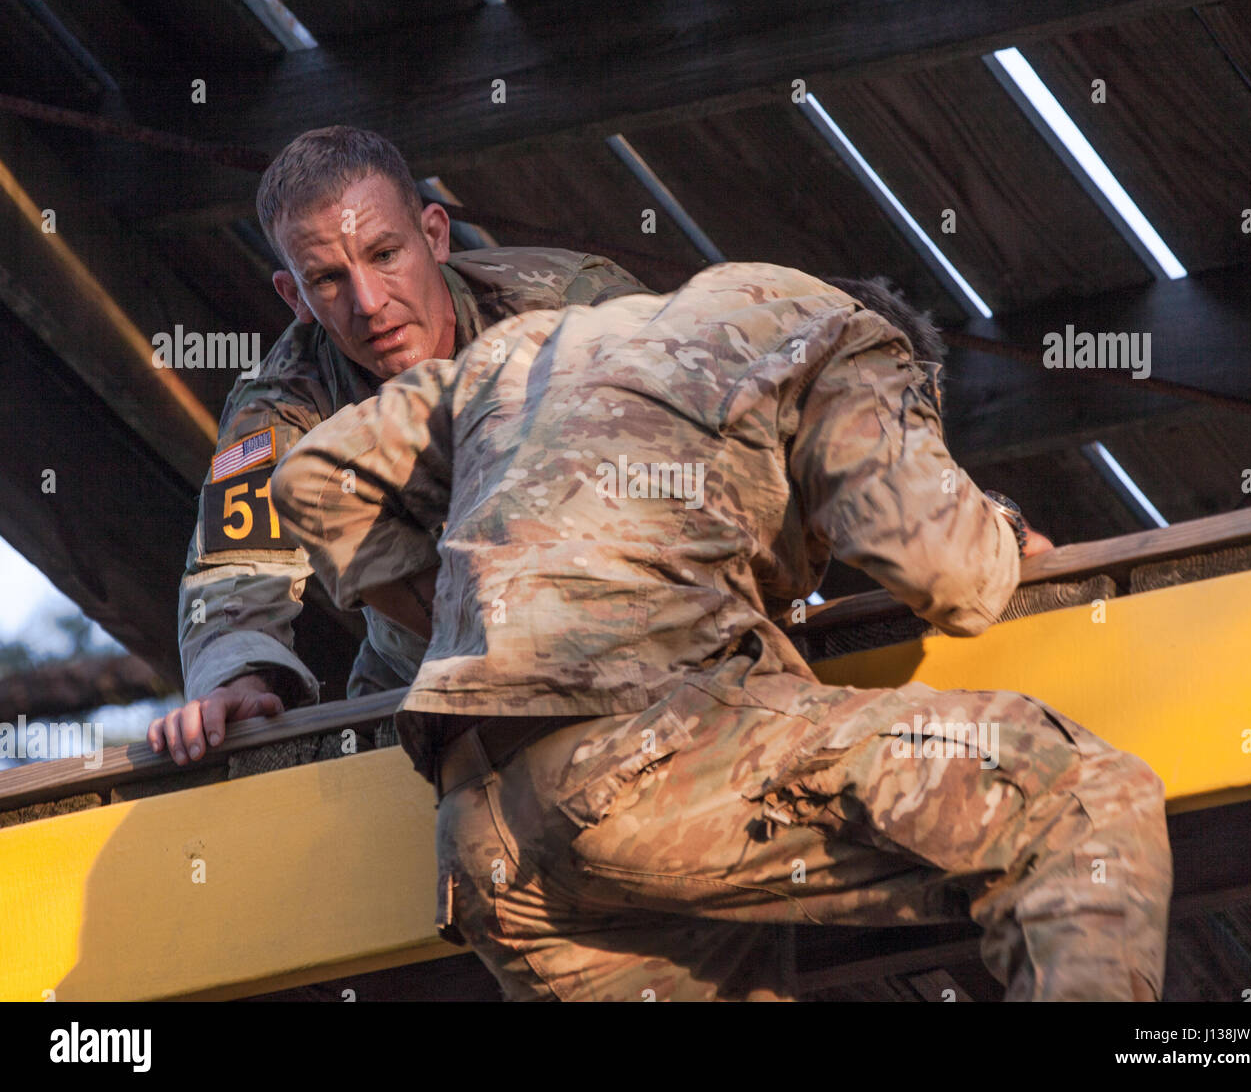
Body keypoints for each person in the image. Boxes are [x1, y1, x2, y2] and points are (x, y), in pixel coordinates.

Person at [270, 262, 1172, 1001]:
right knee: (1075, 798)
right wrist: (1002, 528)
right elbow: (947, 573)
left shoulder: (520, 348)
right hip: (651, 749)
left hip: (488, 834)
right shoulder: (840, 329)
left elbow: (312, 478)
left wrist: (471, 628)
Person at [148, 126, 649, 766]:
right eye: (327, 278)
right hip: (417, 680)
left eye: (385, 254)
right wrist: (237, 685)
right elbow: (238, 575)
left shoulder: (572, 306)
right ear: (293, 295)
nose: (369, 303)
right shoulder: (281, 402)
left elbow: (709, 458)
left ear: (434, 235)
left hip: (633, 622)